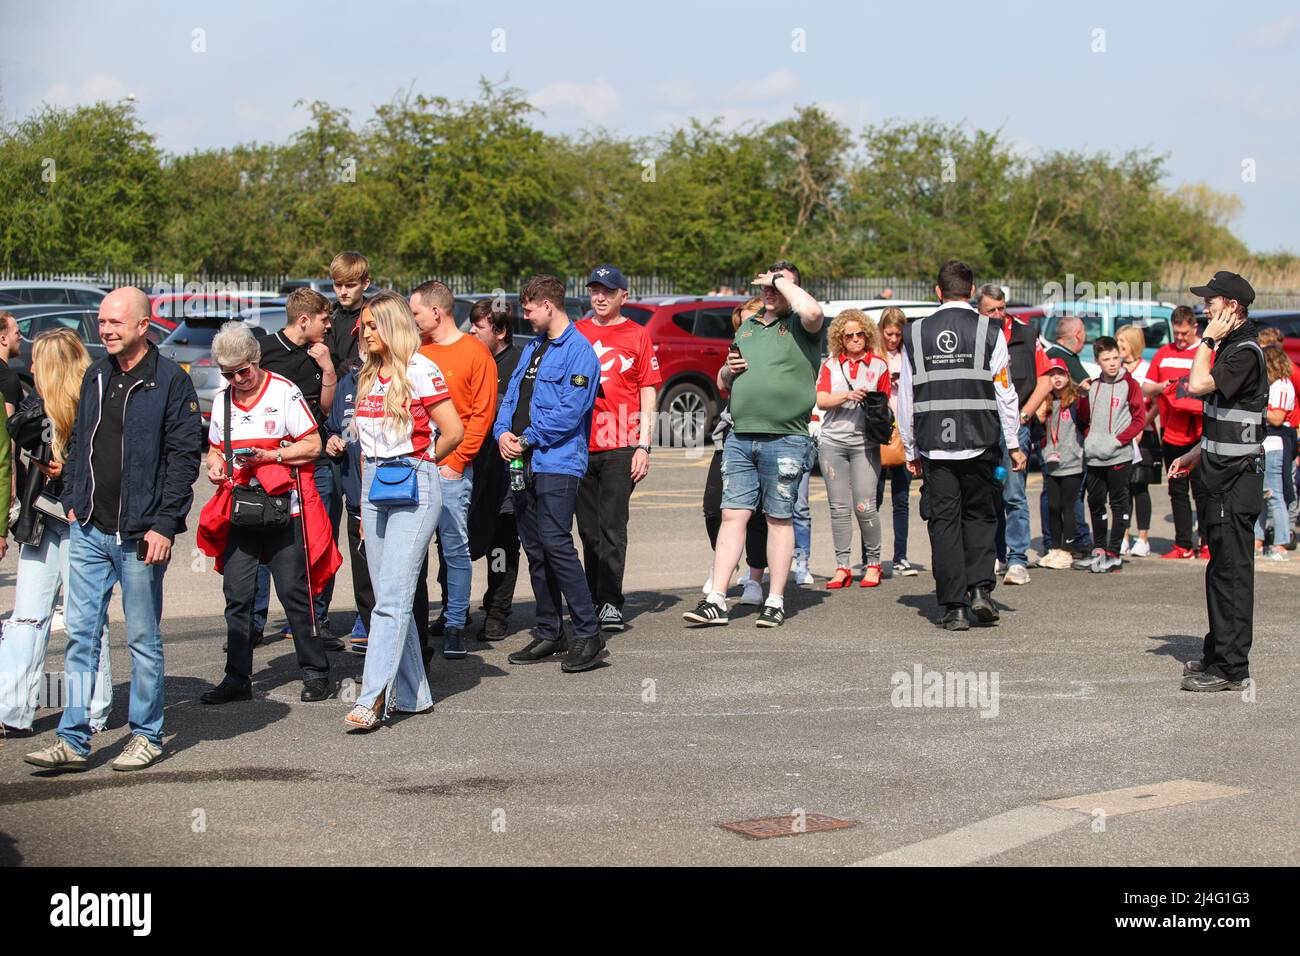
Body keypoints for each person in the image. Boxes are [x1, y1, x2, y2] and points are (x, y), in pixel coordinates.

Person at [25, 287, 204, 772]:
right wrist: (72, 503)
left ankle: (147, 735)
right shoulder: (97, 376)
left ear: (143, 326)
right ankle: (73, 739)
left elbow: (183, 459)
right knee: (82, 636)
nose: (105, 330)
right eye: (102, 322)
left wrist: (164, 525)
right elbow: (82, 441)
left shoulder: (170, 382)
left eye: (115, 323)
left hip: (141, 536)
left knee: (143, 638)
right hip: (87, 529)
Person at [196, 323, 337, 704]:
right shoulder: (224, 400)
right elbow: (213, 449)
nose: (237, 379)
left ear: (256, 360)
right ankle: (237, 678)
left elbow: (312, 445)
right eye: (228, 374)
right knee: (237, 596)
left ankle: (316, 671)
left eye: (243, 370)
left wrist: (272, 455)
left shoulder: (284, 391)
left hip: (283, 510)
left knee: (294, 593)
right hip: (242, 511)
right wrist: (214, 465)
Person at [343, 293, 463, 730]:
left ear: (393, 326)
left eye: (374, 325)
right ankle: (415, 696)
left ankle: (371, 696)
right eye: (364, 327)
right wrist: (361, 503)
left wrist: (425, 458)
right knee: (387, 595)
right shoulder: (368, 375)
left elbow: (454, 431)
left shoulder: (421, 368)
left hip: (415, 483)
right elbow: (364, 448)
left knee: (391, 598)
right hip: (374, 485)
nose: (366, 333)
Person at [683, 260, 824, 628]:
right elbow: (724, 379)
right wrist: (729, 370)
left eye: (778, 284)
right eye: (766, 283)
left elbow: (811, 309)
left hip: (786, 437)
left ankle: (775, 599)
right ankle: (716, 597)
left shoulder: (801, 325)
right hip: (741, 435)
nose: (769, 289)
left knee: (778, 517)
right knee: (732, 514)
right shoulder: (748, 325)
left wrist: (782, 282)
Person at [897, 260, 1024, 631]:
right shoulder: (990, 329)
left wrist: (909, 448)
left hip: (935, 444)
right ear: (971, 292)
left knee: (944, 523)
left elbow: (906, 394)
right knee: (982, 516)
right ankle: (981, 589)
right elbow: (1004, 390)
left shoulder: (915, 333)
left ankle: (954, 607)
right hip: (980, 439)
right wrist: (1013, 442)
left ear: (938, 291)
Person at [1, 331, 114, 742]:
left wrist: (65, 472)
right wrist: (45, 399)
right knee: (26, 618)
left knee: (86, 621)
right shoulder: (41, 405)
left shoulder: (96, 402)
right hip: (42, 522)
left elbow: (106, 462)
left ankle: (92, 710)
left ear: (53, 366)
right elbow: (19, 429)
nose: (28, 368)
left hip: (82, 523)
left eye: (37, 363)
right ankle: (12, 711)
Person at [493, 275, 604, 671]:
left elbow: (569, 413)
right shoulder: (532, 348)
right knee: (536, 549)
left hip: (556, 462)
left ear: (548, 306)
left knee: (557, 545)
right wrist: (502, 433)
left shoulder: (580, 353)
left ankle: (588, 634)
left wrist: (525, 439)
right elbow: (511, 396)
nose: (524, 316)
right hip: (523, 462)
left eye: (528, 308)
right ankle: (549, 630)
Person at [1170, 271, 1266, 692]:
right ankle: (1217, 653)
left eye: (1211, 301)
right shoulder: (1231, 347)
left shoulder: (1241, 350)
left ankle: (1232, 669)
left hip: (1234, 481)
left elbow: (1196, 385)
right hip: (1219, 472)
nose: (1204, 306)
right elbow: (1226, 419)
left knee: (1231, 573)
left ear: (1232, 307)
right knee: (1219, 570)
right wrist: (1196, 451)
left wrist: (1205, 340)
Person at [248, 287, 344, 651]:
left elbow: (326, 409)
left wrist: (328, 369)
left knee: (318, 539)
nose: (328, 326)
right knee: (259, 536)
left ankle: (316, 619)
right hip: (268, 463)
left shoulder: (324, 353)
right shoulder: (265, 351)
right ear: (304, 320)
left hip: (313, 459)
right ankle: (253, 623)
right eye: (323, 319)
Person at [410, 280, 497, 659]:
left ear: (436, 311)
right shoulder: (414, 353)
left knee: (455, 550)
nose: (411, 320)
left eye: (415, 312)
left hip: (451, 471)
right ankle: (417, 624)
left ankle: (456, 623)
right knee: (413, 551)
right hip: (414, 467)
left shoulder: (475, 354)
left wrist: (457, 462)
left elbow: (482, 416)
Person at [575, 265, 660, 633]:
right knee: (587, 530)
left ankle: (610, 601)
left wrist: (644, 444)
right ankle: (592, 596)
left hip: (621, 442)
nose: (600, 297)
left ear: (623, 295)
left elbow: (648, 390)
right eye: (595, 289)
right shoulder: (576, 332)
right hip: (578, 445)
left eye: (608, 291)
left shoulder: (637, 334)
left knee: (612, 526)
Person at [978, 285, 1049, 586]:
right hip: (983, 425)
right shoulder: (975, 336)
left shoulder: (1026, 334)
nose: (997, 314)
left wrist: (1025, 415)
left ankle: (1017, 557)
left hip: (1015, 425)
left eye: (1001, 308)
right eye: (990, 309)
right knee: (989, 492)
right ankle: (996, 553)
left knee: (1014, 493)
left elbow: (1045, 380)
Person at [815, 309, 890, 589]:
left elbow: (885, 406)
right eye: (849, 335)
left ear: (867, 334)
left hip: (865, 443)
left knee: (865, 506)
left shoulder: (879, 365)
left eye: (860, 334)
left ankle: (873, 564)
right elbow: (821, 400)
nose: (856, 339)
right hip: (832, 442)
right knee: (838, 508)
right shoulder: (831, 365)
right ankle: (842, 566)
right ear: (840, 339)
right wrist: (847, 395)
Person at [702, 297, 769, 604]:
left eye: (752, 320)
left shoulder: (777, 347)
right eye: (742, 323)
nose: (746, 328)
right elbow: (721, 380)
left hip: (768, 432)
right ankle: (724, 563)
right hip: (732, 433)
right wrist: (730, 369)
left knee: (756, 513)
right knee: (714, 507)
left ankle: (755, 578)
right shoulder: (736, 347)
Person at [466, 299, 523, 640]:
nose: (471, 330)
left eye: (479, 326)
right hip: (471, 467)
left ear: (500, 332)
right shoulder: (470, 357)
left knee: (502, 543)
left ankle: (497, 611)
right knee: (456, 543)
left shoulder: (518, 363)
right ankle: (452, 610)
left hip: (505, 470)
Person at [1073, 336, 1146, 573]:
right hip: (1095, 454)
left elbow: (1139, 419)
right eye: (1107, 359)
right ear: (1097, 361)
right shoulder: (1093, 385)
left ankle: (1114, 552)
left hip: (1118, 455)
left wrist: (1118, 440)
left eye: (1115, 358)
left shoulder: (1130, 385)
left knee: (1118, 502)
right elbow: (1084, 417)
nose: (1113, 363)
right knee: (1095, 502)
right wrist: (1083, 398)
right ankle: (1100, 548)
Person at [1143, 306, 1208, 559]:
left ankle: (1206, 543)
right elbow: (1147, 388)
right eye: (1177, 333)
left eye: (1184, 333)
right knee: (1177, 490)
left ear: (1194, 328)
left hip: (1200, 434)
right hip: (1170, 433)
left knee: (1203, 491)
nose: (1180, 338)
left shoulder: (1205, 351)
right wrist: (1164, 386)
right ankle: (1183, 545)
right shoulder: (1163, 353)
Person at [875, 308, 918, 577]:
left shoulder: (910, 355)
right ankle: (872, 557)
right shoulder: (875, 356)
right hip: (879, 430)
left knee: (901, 498)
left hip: (904, 431)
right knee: (873, 499)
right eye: (888, 334)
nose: (893, 339)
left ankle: (900, 556)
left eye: (897, 335)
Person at [1035, 357, 1086, 569]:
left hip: (1073, 461)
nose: (1056, 378)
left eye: (1060, 374)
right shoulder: (1045, 402)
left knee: (1068, 506)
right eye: (1052, 375)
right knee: (1053, 506)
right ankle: (1054, 548)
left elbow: (1085, 421)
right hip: (1052, 461)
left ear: (1068, 376)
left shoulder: (1076, 401)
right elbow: (1038, 429)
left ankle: (1068, 548)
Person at [1116, 325, 1156, 557]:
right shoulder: (1116, 368)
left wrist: (1140, 425)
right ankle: (1123, 535)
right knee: (1122, 488)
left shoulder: (1147, 370)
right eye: (1118, 340)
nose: (1119, 345)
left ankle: (1143, 537)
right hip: (1122, 434)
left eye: (1123, 340)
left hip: (1143, 434)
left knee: (1140, 486)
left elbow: (1156, 403)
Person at [1254, 345, 1295, 559]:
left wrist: (1255, 407)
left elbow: (1277, 417)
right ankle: (1258, 540)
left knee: (1273, 495)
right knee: (1261, 495)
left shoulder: (1280, 386)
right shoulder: (1277, 384)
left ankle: (1280, 543)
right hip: (1266, 444)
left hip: (1274, 445)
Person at [323, 251, 370, 378]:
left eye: (350, 285)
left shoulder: (376, 317)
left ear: (365, 284)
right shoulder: (326, 317)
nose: (343, 292)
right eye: (338, 285)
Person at [0, 311, 25, 416]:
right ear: (3, 339)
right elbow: (7, 427)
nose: (21, 337)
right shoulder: (8, 379)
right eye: (17, 333)